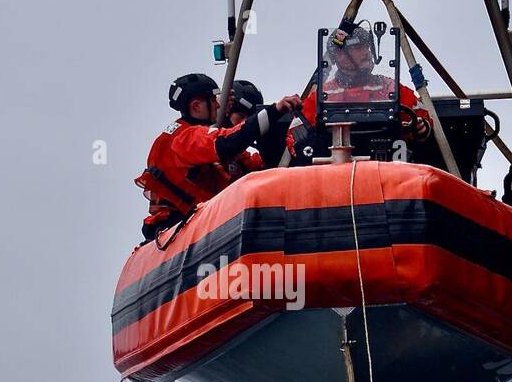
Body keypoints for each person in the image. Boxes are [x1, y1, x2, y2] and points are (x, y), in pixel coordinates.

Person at [136, 74, 302, 242]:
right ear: (196, 106)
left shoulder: (193, 138)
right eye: (213, 101)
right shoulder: (187, 138)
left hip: (198, 225)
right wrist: (274, 111)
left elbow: (253, 165)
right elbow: (227, 142)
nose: (218, 105)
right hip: (178, 226)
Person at [300, 21, 432, 160]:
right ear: (340, 56)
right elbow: (295, 136)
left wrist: (421, 128)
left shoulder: (390, 88)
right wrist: (312, 141)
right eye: (358, 47)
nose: (366, 53)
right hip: (335, 176)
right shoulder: (322, 96)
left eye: (367, 47)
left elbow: (422, 120)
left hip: (386, 173)